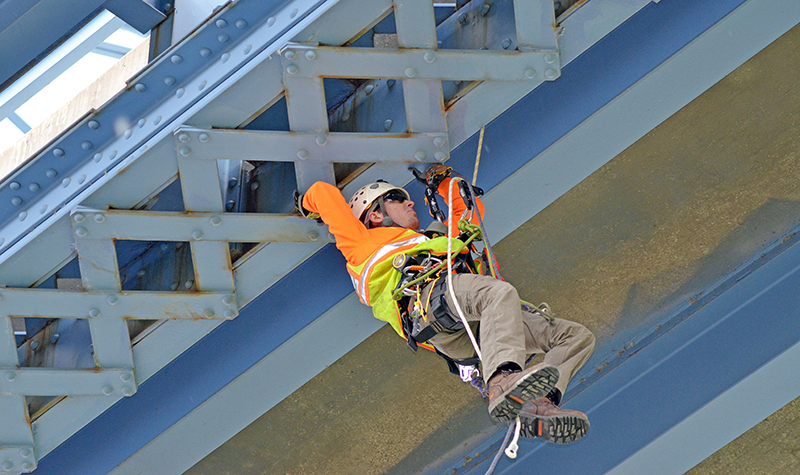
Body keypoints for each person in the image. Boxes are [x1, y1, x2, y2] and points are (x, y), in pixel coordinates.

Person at [297, 165, 595, 444]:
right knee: (499, 293)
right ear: (374, 215)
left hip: (472, 326)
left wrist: (443, 182)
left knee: (576, 337)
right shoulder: (360, 243)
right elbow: (323, 193)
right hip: (429, 301)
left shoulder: (433, 240)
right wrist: (306, 206)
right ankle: (503, 382)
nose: (410, 202)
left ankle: (539, 404)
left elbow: (467, 213)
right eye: (397, 198)